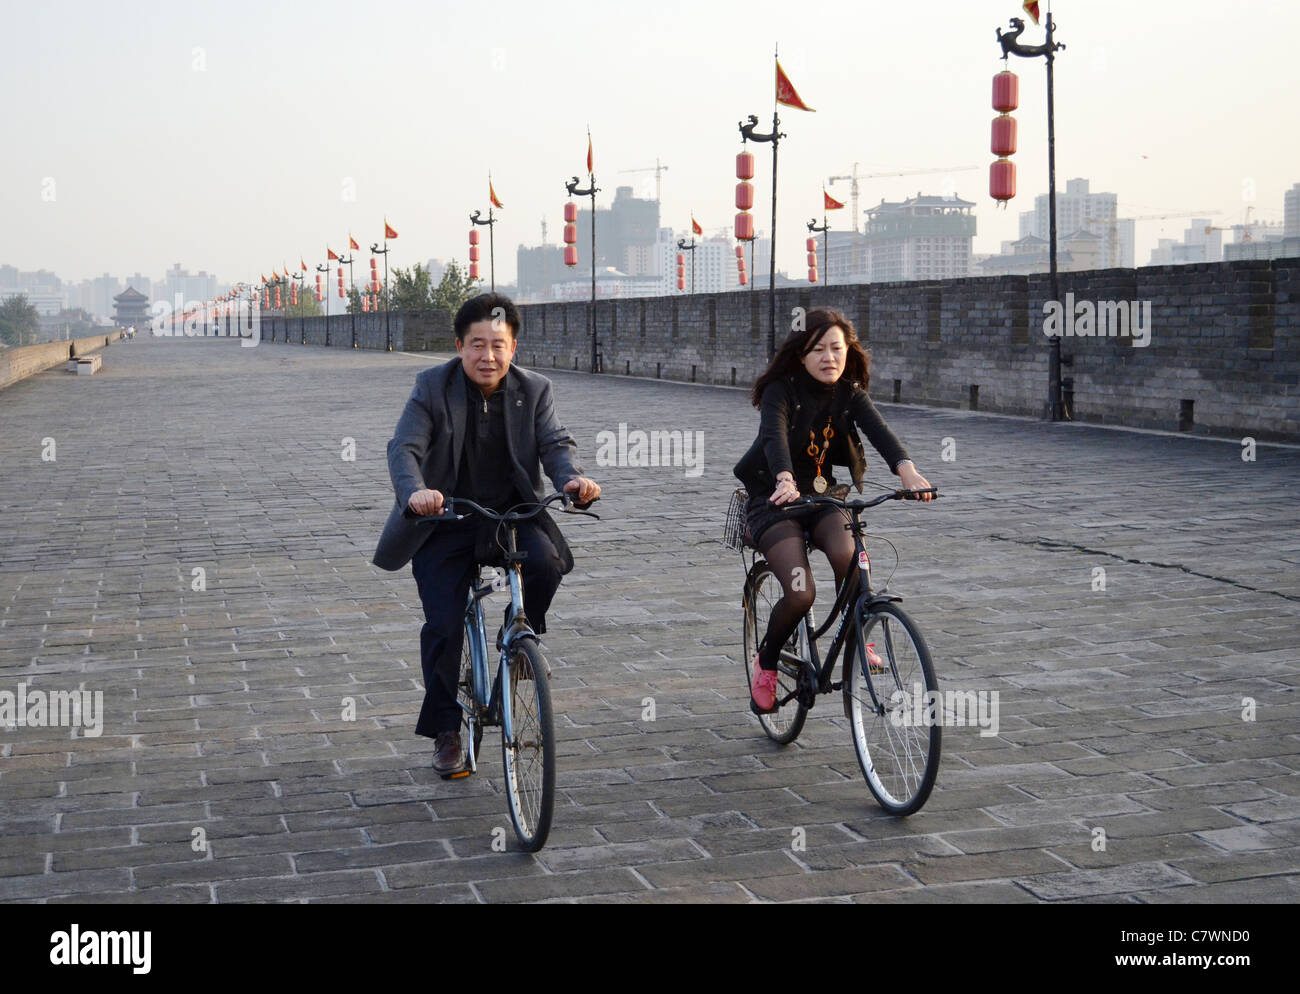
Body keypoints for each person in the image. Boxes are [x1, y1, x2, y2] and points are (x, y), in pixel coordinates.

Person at [372, 293, 600, 777]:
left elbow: (556, 443)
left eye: (498, 345)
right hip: (446, 518)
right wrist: (415, 492)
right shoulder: (432, 386)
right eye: (477, 344)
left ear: (513, 348)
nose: (488, 356)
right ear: (459, 346)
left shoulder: (535, 390)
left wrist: (571, 480)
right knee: (443, 626)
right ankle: (447, 730)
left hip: (511, 515)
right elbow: (404, 447)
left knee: (545, 564)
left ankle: (521, 639)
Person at [733, 308, 934, 714]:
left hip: (823, 498)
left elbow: (880, 432)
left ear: (848, 351)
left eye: (836, 348)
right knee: (800, 590)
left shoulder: (850, 392)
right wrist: (785, 479)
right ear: (801, 355)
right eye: (818, 349)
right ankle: (767, 662)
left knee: (850, 560)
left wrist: (908, 472)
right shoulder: (781, 389)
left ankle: (862, 631)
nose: (829, 357)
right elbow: (773, 435)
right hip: (775, 500)